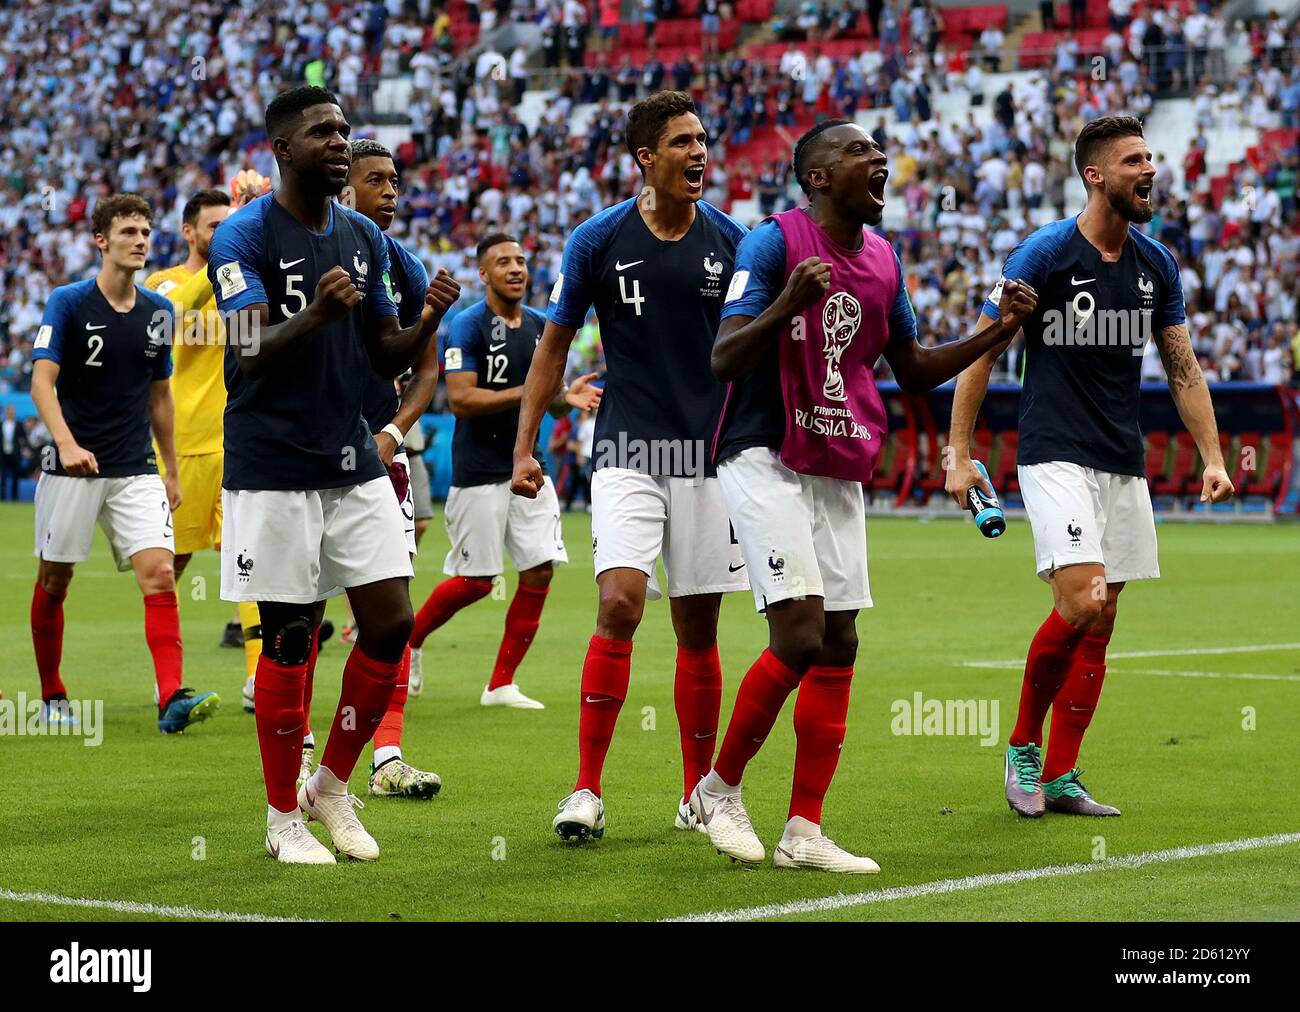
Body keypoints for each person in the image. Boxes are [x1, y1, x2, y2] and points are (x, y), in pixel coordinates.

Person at [690, 120, 1038, 871]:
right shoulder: (771, 242)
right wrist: (785, 304)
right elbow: (724, 357)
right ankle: (716, 791)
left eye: (881, 156)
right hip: (765, 451)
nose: (880, 162)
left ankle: (803, 830)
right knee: (800, 634)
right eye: (860, 154)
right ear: (818, 177)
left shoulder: (884, 258)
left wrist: (999, 332)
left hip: (836, 458)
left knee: (841, 640)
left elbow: (911, 369)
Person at [945, 116, 1234, 820]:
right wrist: (958, 454)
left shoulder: (1157, 265)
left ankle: (1065, 774)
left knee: (1101, 624)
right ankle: (1022, 747)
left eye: (1151, 156)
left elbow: (1182, 367)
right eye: (1135, 159)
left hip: (1121, 459)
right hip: (1053, 452)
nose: (1151, 169)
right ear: (1096, 174)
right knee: (1082, 601)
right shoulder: (1042, 255)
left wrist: (1214, 457)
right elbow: (981, 355)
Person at [208, 86, 460, 864]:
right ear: (282, 150)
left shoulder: (363, 237)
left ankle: (333, 788)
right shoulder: (241, 237)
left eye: (345, 130)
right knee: (290, 637)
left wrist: (427, 322)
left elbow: (385, 352)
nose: (340, 142)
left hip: (349, 454)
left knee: (389, 623)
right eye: (323, 131)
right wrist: (315, 314)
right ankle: (283, 816)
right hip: (272, 461)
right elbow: (248, 347)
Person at [512, 91, 749, 842]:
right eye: (683, 142)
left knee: (697, 625)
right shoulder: (597, 239)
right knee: (620, 602)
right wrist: (525, 445)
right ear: (646, 158)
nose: (700, 153)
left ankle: (696, 794)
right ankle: (585, 789)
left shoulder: (735, 241)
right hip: (629, 446)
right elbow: (553, 346)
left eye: (704, 140)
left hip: (710, 454)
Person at [30, 193, 221, 733]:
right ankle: (52, 694)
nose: (140, 242)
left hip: (136, 467)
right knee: (55, 579)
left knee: (161, 575)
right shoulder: (69, 302)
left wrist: (171, 469)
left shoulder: (158, 312)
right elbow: (41, 382)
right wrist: (66, 443)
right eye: (129, 233)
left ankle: (171, 700)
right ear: (101, 241)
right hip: (74, 467)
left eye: (145, 233)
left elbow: (161, 395)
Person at [293, 138, 446, 800]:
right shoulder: (292, 247)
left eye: (395, 180)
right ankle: (297, 754)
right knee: (299, 613)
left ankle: (385, 757)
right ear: (340, 189)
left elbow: (429, 365)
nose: (392, 192)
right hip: (301, 458)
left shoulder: (400, 264)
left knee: (392, 614)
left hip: (379, 460)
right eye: (376, 180)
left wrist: (394, 432)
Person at [408, 233, 600, 711]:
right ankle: (407, 642)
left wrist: (560, 397)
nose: (516, 268)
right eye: (503, 262)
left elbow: (546, 401)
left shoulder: (542, 325)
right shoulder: (467, 325)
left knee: (538, 572)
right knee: (477, 581)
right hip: (479, 472)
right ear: (483, 274)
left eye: (521, 260)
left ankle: (500, 684)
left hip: (531, 469)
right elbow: (461, 400)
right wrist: (532, 390)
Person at [145, 185, 267, 702]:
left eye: (229, 225)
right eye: (213, 227)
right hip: (186, 446)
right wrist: (220, 263)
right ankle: (169, 681)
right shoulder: (163, 284)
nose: (222, 235)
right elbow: (164, 322)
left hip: (241, 440)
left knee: (251, 560)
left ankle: (257, 676)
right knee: (169, 565)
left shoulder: (246, 284)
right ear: (189, 232)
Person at [1, 404, 28, 500]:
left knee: (15, 476)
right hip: (3, 454)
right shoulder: (2, 423)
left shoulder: (19, 424)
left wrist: (23, 447)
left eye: (12, 411)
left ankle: (14, 497)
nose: (10, 413)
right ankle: (2, 497)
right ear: (6, 412)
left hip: (15, 453)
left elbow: (24, 438)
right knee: (3, 476)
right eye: (9, 411)